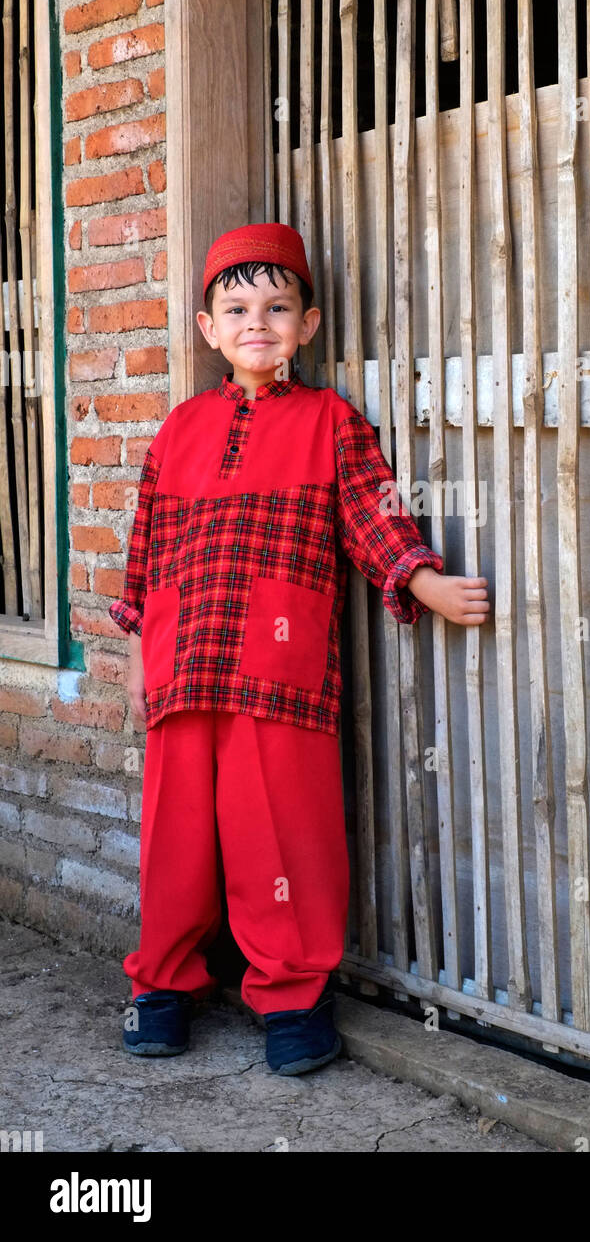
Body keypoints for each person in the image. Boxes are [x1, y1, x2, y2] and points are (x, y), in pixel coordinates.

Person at [109, 222, 490, 1075]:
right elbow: (146, 549)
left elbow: (370, 512)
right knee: (176, 841)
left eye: (277, 307)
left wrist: (421, 579)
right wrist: (139, 658)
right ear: (208, 328)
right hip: (181, 665)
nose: (257, 323)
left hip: (280, 671)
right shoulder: (177, 431)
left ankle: (290, 996)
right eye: (236, 308)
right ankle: (162, 987)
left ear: (307, 325)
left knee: (281, 836)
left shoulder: (330, 421)